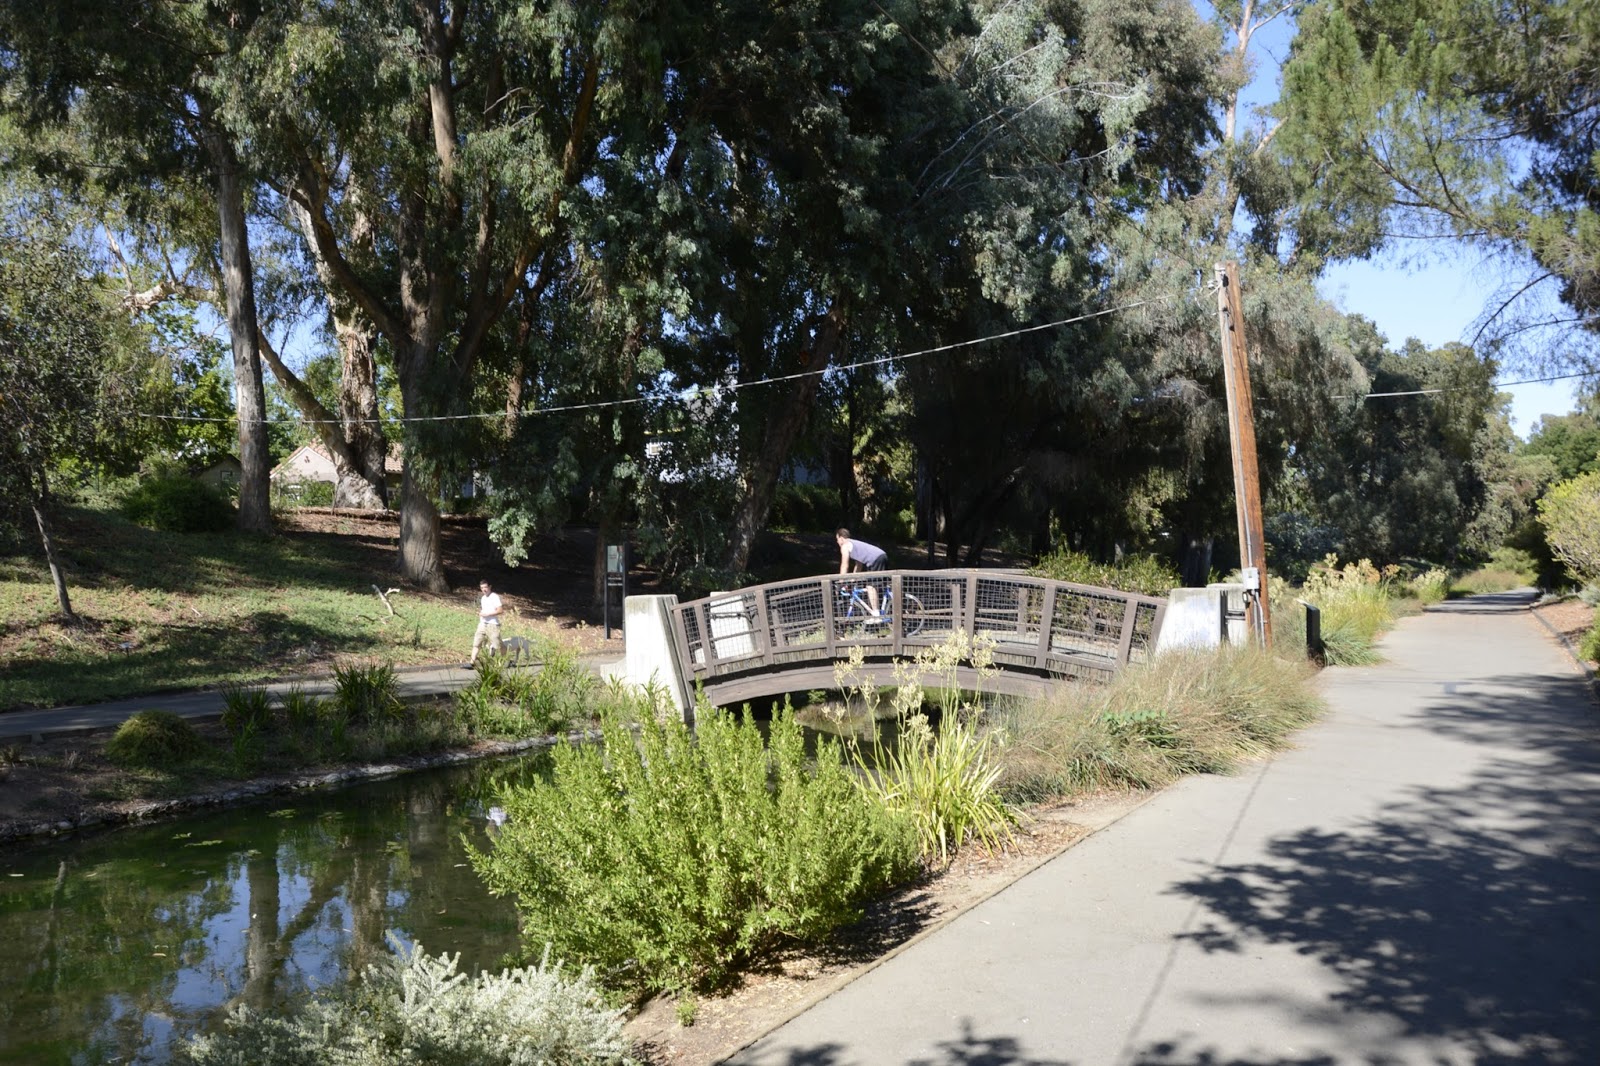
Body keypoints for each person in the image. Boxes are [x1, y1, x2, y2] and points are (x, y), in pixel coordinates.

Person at [836, 527, 887, 615]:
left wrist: (841, 582)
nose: (837, 542)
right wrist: (852, 581)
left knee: (870, 586)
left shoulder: (845, 545)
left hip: (874, 559)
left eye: (837, 540)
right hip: (882, 555)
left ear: (841, 538)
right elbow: (859, 565)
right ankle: (886, 606)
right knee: (878, 585)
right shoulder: (855, 544)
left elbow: (844, 565)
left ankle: (876, 614)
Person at [466, 579, 503, 667]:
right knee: (477, 643)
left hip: (493, 624)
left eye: (485, 587)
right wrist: (481, 614)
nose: (484, 589)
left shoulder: (494, 597)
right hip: (482, 624)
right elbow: (484, 609)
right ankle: (472, 662)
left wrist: (488, 614)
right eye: (482, 588)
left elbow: (500, 610)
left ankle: (505, 660)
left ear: (490, 587)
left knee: (498, 645)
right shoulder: (483, 598)